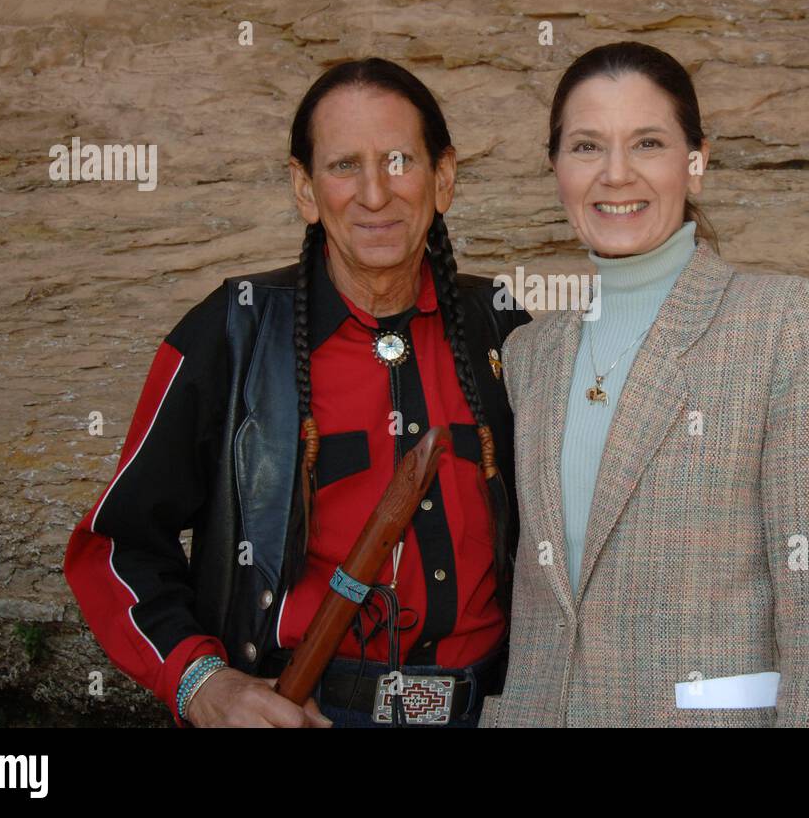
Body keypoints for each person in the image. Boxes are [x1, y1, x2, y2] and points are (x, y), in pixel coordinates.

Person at [64, 58, 529, 727]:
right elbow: (115, 545)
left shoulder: (505, 325)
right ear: (305, 189)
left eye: (399, 160)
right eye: (344, 166)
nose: (375, 194)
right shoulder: (234, 334)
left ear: (444, 177)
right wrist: (202, 682)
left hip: (497, 709)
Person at [481, 41, 809, 727]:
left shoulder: (787, 321)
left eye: (647, 142)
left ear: (695, 161)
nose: (615, 173)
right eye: (585, 146)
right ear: (555, 168)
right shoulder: (528, 354)